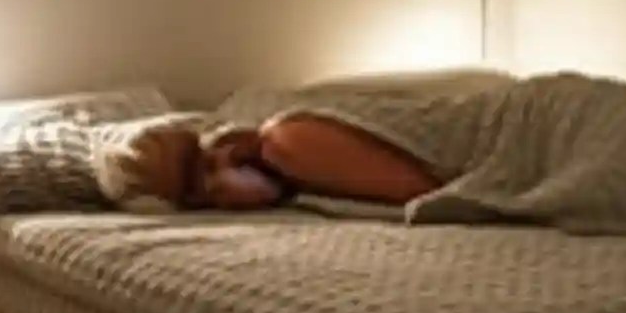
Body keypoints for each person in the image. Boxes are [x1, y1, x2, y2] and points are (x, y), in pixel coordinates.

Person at [101, 113, 442, 212]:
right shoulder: (286, 177)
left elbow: (426, 191)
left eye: (207, 182)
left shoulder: (285, 143)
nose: (220, 200)